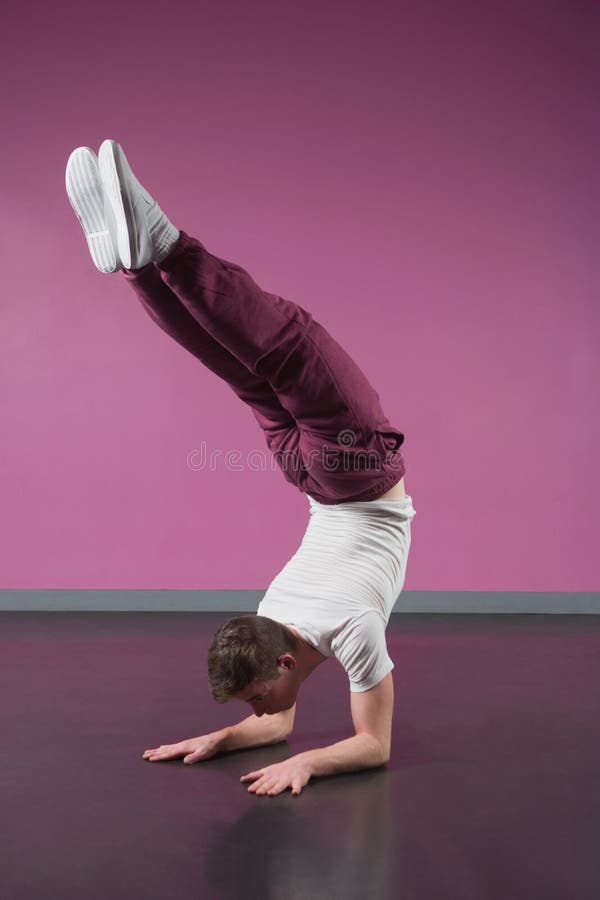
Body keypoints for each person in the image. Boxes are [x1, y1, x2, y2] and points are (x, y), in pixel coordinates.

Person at [65, 140, 417, 796]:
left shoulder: (326, 632)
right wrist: (228, 739)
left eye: (253, 700)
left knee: (281, 348)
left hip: (349, 473)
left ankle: (160, 250)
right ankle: (141, 268)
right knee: (250, 359)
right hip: (321, 474)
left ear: (280, 661)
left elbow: (363, 742)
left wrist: (300, 758)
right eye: (252, 705)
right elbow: (366, 741)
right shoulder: (280, 618)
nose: (258, 712)